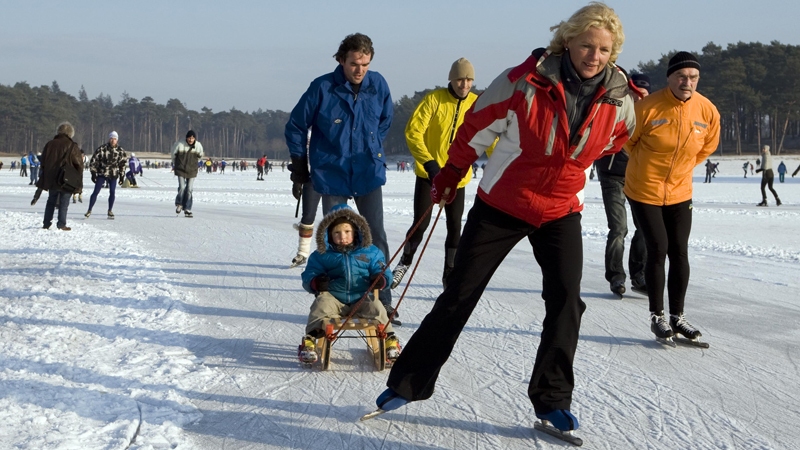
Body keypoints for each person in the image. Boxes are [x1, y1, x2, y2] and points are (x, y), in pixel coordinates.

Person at [375, 3, 636, 434]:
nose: (594, 55)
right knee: (461, 292)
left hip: (561, 209)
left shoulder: (621, 100)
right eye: (586, 45)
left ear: (614, 52)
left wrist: (572, 171)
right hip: (503, 204)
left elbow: (616, 141)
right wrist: (450, 175)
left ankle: (551, 401)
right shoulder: (522, 82)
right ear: (567, 41)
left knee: (567, 300)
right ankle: (410, 382)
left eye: (604, 49)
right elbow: (475, 129)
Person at [285, 32, 394, 315]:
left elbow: (385, 119)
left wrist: (372, 146)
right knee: (336, 239)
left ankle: (382, 302)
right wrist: (299, 162)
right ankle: (335, 302)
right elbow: (296, 124)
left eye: (365, 64)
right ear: (341, 60)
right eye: (355, 63)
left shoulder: (378, 84)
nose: (360, 70)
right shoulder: (322, 87)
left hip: (368, 172)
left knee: (376, 238)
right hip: (331, 173)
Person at [624, 51, 720, 343]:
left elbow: (706, 148)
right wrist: (649, 167)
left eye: (692, 77)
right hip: (644, 188)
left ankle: (678, 317)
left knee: (679, 251)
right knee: (658, 247)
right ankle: (658, 316)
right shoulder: (647, 108)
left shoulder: (707, 111)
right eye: (681, 76)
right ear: (669, 78)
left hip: (680, 190)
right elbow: (629, 142)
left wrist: (679, 171)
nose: (686, 82)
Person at [392, 58, 488, 290]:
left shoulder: (477, 104)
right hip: (429, 175)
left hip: (458, 177)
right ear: (451, 79)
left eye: (468, 80)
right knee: (421, 224)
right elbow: (413, 132)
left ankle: (449, 274)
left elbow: (490, 136)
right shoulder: (434, 100)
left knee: (455, 226)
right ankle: (404, 263)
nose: (464, 84)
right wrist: (430, 164)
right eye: (459, 79)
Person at [298, 204, 399, 364]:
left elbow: (383, 270)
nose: (342, 236)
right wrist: (316, 282)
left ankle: (389, 341)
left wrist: (380, 279)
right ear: (328, 234)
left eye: (347, 232)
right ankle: (310, 341)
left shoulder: (370, 252)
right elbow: (308, 274)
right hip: (334, 298)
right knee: (320, 305)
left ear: (357, 232)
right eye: (337, 232)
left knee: (377, 307)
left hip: (362, 297)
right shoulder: (322, 255)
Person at [595, 73, 650, 297]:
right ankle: (616, 275)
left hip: (639, 177)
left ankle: (639, 275)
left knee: (645, 228)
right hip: (612, 174)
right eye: (634, 94)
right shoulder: (615, 109)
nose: (638, 99)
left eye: (643, 96)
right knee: (619, 228)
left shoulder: (650, 115)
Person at [37, 122, 83, 231]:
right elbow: (79, 163)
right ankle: (61, 224)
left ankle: (46, 223)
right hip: (66, 178)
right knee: (64, 201)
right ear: (70, 133)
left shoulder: (50, 144)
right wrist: (78, 176)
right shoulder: (72, 145)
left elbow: (43, 161)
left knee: (51, 201)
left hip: (52, 178)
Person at [86, 131, 128, 219]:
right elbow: (93, 161)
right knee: (96, 192)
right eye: (111, 138)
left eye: (115, 139)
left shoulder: (120, 151)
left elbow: (123, 164)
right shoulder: (102, 149)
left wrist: (121, 176)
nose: (113, 141)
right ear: (109, 139)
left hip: (113, 174)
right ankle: (89, 210)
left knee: (112, 192)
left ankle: (110, 210)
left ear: (117, 140)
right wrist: (93, 173)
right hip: (102, 173)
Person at [172, 130, 205, 217]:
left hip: (192, 170)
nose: (191, 139)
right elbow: (173, 155)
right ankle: (179, 204)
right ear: (186, 138)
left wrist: (193, 163)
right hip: (180, 169)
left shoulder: (198, 146)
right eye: (189, 138)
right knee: (182, 187)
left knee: (189, 189)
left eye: (193, 138)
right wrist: (176, 164)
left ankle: (187, 208)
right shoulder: (179, 144)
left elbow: (200, 156)